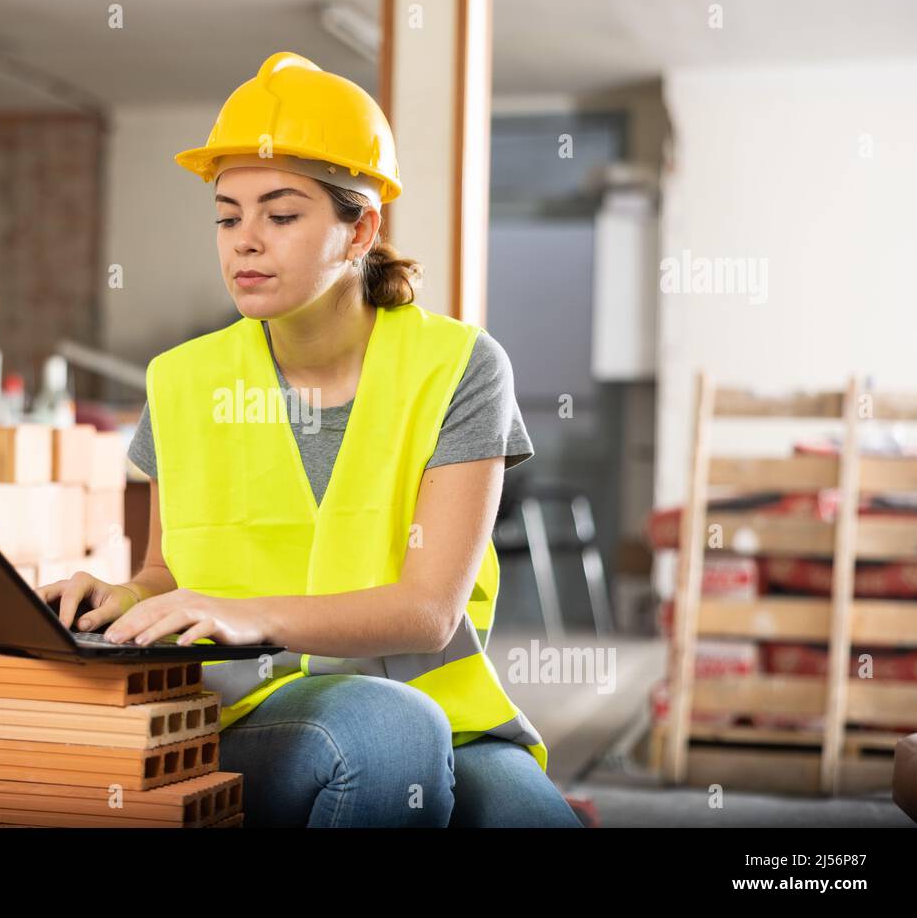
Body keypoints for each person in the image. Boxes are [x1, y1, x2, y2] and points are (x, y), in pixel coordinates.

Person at [37, 52, 581, 828]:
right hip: (249, 712)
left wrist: (246, 612)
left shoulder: (459, 366)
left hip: (446, 715)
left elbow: (429, 612)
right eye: (228, 216)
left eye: (280, 215)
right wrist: (117, 597)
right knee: (386, 734)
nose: (244, 242)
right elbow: (165, 572)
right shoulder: (182, 380)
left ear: (360, 228)